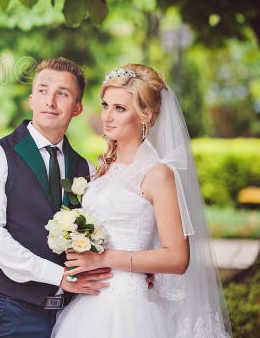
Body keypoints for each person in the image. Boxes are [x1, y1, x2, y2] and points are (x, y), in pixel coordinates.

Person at [52, 64, 231, 338]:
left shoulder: (158, 173)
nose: (107, 117)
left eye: (120, 108)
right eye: (105, 105)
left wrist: (104, 258)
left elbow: (177, 257)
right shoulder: (102, 168)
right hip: (90, 304)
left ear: (145, 114)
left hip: (129, 308)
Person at [0, 57, 112, 338]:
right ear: (31, 99)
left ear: (77, 108)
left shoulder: (87, 169)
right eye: (44, 91)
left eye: (63, 94)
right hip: (11, 313)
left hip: (73, 317)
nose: (51, 101)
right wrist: (56, 276)